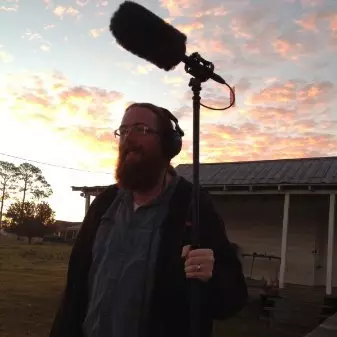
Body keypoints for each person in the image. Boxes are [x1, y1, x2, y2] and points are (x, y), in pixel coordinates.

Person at [49, 102, 248, 337]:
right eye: (123, 131)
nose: (128, 138)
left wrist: (212, 277)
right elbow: (75, 288)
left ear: (167, 144)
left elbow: (232, 299)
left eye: (140, 129)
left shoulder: (192, 205)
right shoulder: (105, 203)